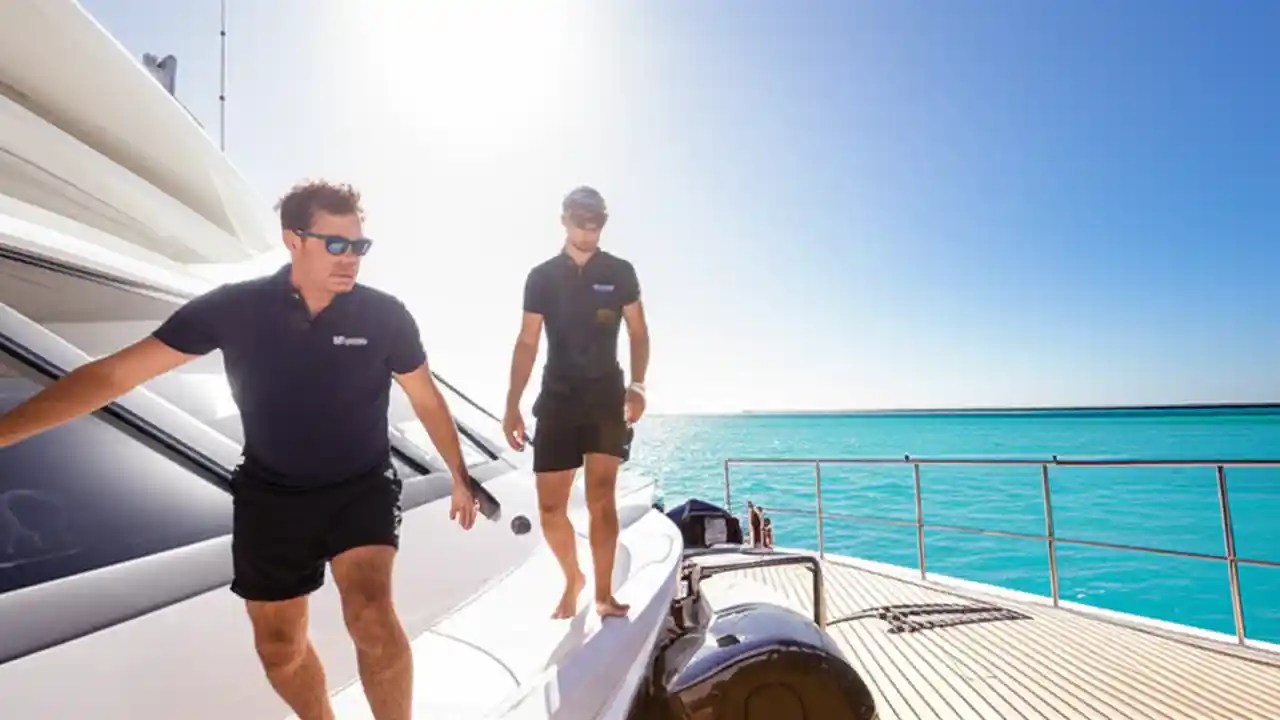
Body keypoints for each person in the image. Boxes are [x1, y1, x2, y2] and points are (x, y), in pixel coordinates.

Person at [0, 180, 478, 720]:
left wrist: (460, 475)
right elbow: (114, 374)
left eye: (359, 246)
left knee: (369, 612)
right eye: (336, 244)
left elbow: (427, 399)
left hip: (360, 485)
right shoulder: (235, 309)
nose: (351, 259)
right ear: (293, 240)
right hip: (270, 496)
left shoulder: (386, 316)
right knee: (279, 648)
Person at [503, 186, 649, 620]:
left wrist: (639, 384)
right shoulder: (542, 277)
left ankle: (603, 595)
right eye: (582, 222)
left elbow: (638, 332)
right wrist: (512, 404)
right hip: (558, 398)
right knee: (550, 509)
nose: (589, 231)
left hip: (606, 394)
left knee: (602, 497)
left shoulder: (620, 272)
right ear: (564, 220)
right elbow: (527, 341)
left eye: (597, 223)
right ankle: (574, 579)